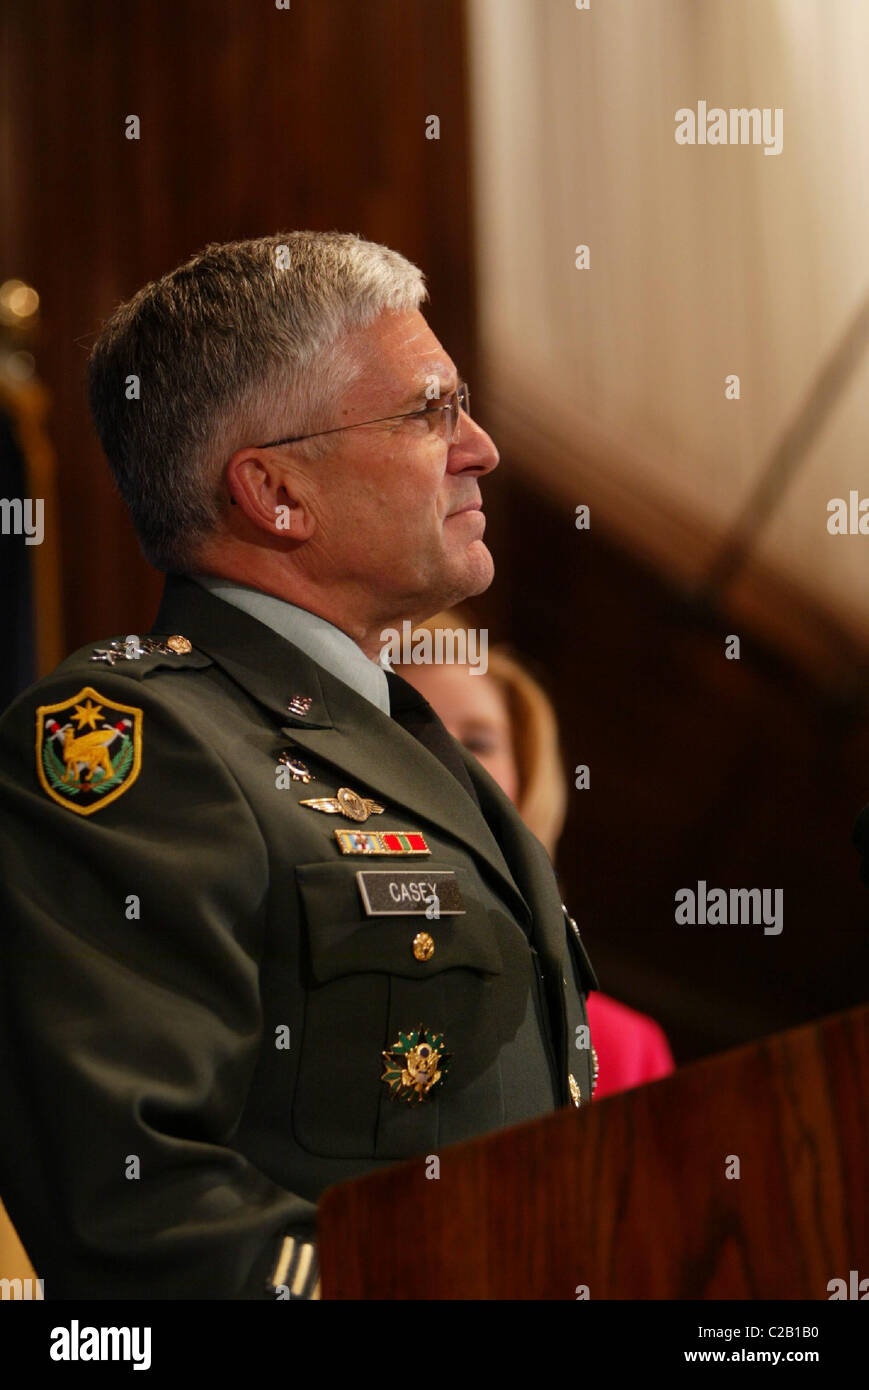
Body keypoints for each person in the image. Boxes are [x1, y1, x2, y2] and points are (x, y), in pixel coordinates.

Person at [0, 232, 599, 1301]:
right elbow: (135, 1203)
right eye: (429, 411)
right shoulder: (141, 746)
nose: (482, 447)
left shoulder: (404, 736)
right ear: (275, 492)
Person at [395, 623, 675, 1099]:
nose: (449, 760)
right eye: (413, 731)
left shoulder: (626, 1049)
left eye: (480, 742)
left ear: (525, 787)